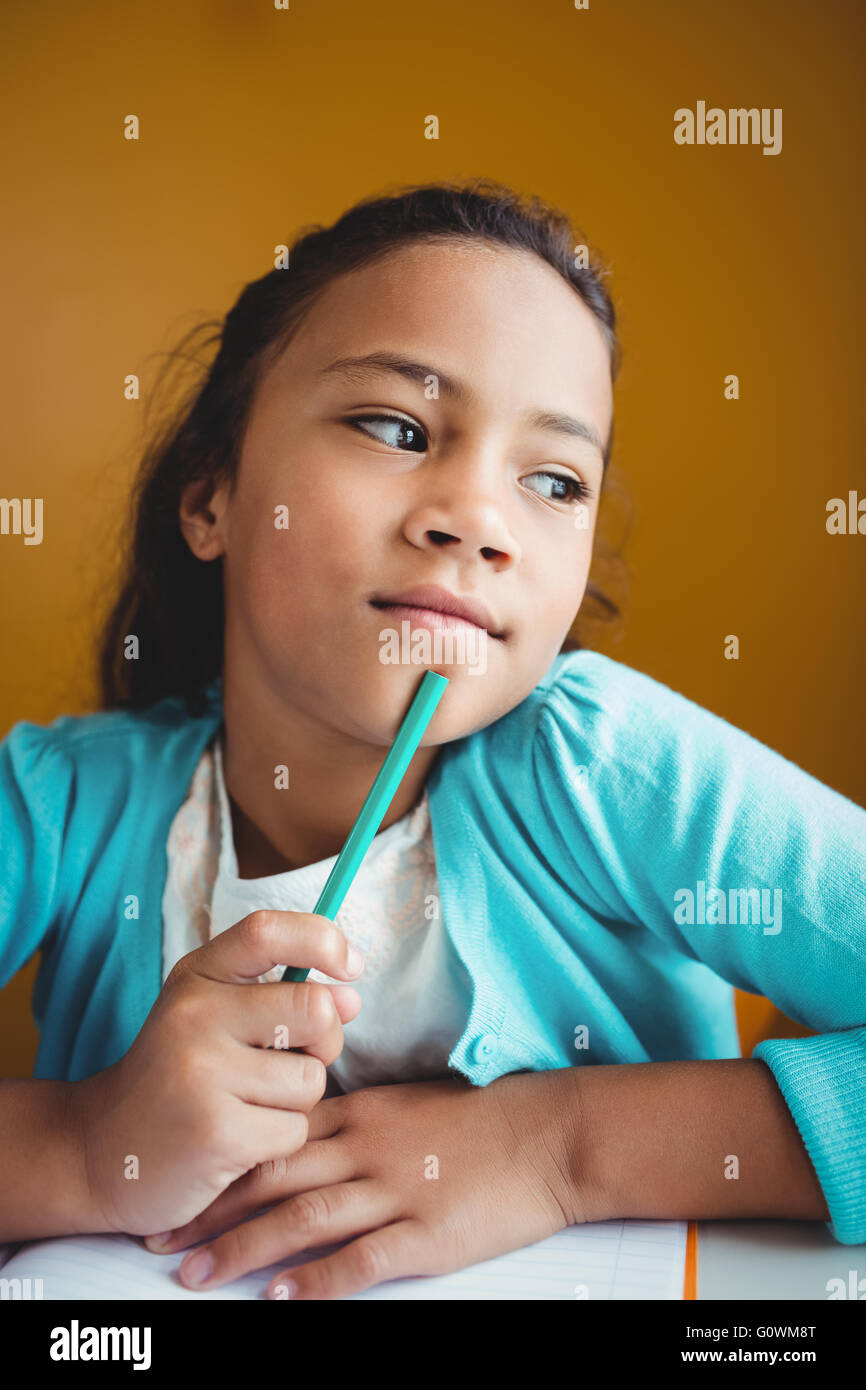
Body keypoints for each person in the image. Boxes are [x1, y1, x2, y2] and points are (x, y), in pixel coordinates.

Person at [1, 180, 863, 1301]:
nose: (476, 517)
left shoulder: (610, 773)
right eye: (395, 427)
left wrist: (553, 1152)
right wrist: (79, 1142)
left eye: (552, 480)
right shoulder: (59, 804)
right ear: (211, 490)